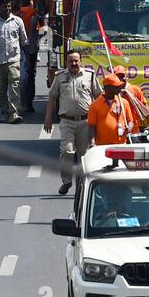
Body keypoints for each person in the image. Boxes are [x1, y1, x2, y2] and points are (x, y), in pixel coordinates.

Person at [45, 51, 103, 194]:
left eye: (76, 61)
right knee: (67, 151)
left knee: (84, 155)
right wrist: (47, 119)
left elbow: (98, 98)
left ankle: (81, 184)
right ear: (67, 62)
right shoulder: (60, 77)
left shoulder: (89, 75)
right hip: (67, 121)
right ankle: (66, 181)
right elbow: (52, 97)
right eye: (71, 61)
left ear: (80, 61)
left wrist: (100, 120)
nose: (74, 63)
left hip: (86, 122)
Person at [86, 73, 139, 146]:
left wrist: (129, 128)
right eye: (116, 86)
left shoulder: (123, 102)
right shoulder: (95, 105)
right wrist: (92, 143)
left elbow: (131, 121)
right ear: (107, 88)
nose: (120, 88)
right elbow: (91, 126)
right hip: (102, 146)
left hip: (121, 144)